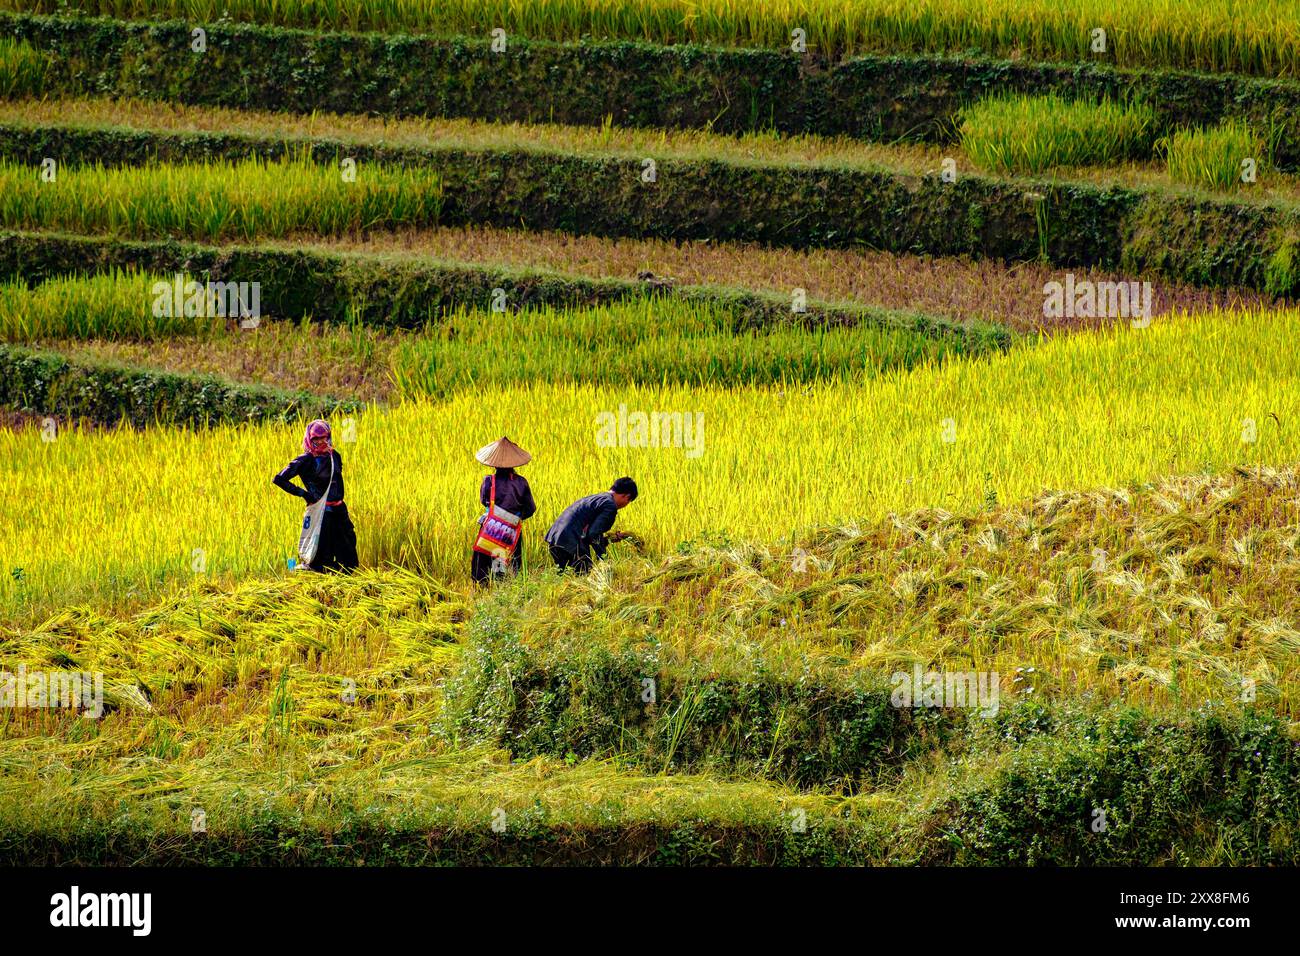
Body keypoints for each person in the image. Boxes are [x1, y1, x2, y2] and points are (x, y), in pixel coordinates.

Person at [272, 419, 358, 573]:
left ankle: (347, 588)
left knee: (348, 556)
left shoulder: (334, 456)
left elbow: (337, 482)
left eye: (323, 437)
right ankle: (321, 589)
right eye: (315, 439)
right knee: (321, 559)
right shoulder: (306, 460)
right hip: (321, 514)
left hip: (339, 511)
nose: (320, 441)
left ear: (329, 436)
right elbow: (279, 479)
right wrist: (304, 494)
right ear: (309, 439)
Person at [471, 436, 537, 584]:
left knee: (482, 563)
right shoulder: (521, 482)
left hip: (491, 529)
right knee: (510, 563)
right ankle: (507, 593)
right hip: (511, 531)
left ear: (494, 463)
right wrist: (514, 518)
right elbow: (531, 509)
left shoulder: (489, 481)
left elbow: (483, 501)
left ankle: (481, 592)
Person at [544, 477, 638, 574]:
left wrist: (609, 539)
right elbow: (593, 533)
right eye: (628, 501)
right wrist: (604, 560)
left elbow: (591, 532)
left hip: (555, 538)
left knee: (565, 577)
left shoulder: (597, 498)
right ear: (626, 496)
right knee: (584, 576)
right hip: (570, 541)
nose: (625, 505)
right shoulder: (610, 505)